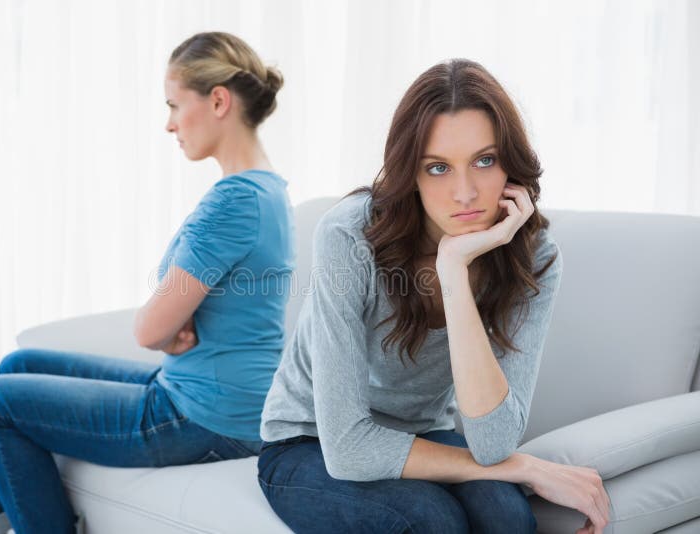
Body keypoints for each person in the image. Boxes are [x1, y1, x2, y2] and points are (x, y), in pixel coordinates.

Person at [258, 58, 610, 534]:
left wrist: (453, 271)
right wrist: (523, 468)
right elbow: (347, 448)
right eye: (438, 167)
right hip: (309, 442)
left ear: (511, 165)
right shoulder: (349, 235)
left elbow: (492, 443)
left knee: (507, 518)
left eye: (484, 161)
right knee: (430, 520)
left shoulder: (536, 258)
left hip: (423, 432)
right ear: (411, 174)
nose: (465, 193)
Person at [0, 31, 293, 534]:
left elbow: (149, 330)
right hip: (226, 400)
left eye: (175, 105)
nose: (169, 123)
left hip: (204, 416)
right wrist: (168, 324)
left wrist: (164, 326)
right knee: (17, 365)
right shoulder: (268, 190)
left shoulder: (233, 203)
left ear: (218, 101)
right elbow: (170, 320)